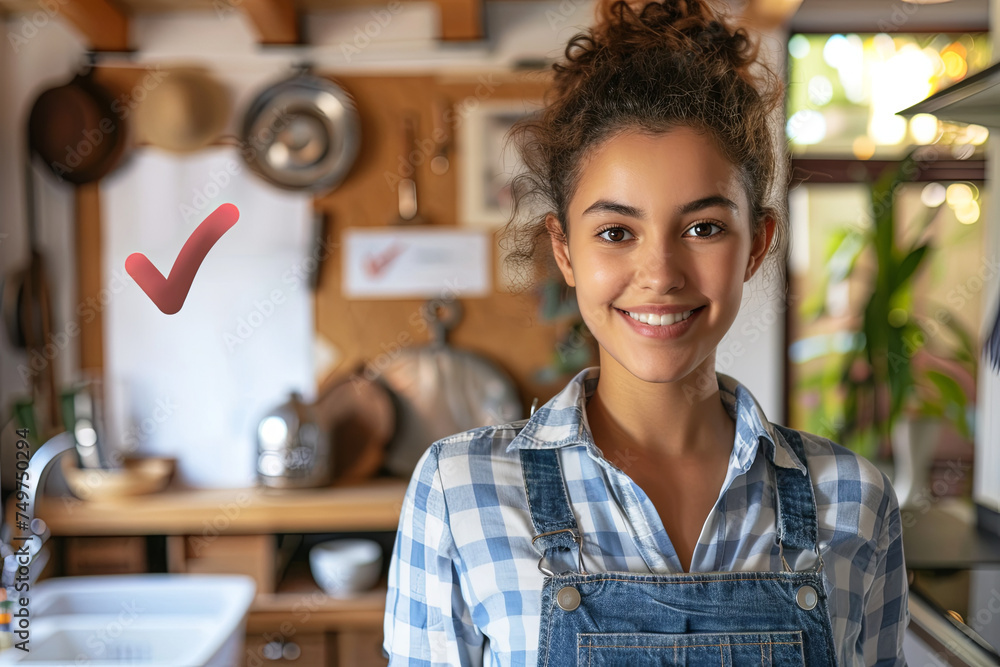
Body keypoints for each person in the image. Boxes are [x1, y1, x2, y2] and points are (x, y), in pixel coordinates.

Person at [383, 0, 910, 664]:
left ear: (758, 242)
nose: (659, 274)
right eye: (615, 232)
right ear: (565, 250)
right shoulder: (459, 491)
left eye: (703, 227)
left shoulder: (854, 499)